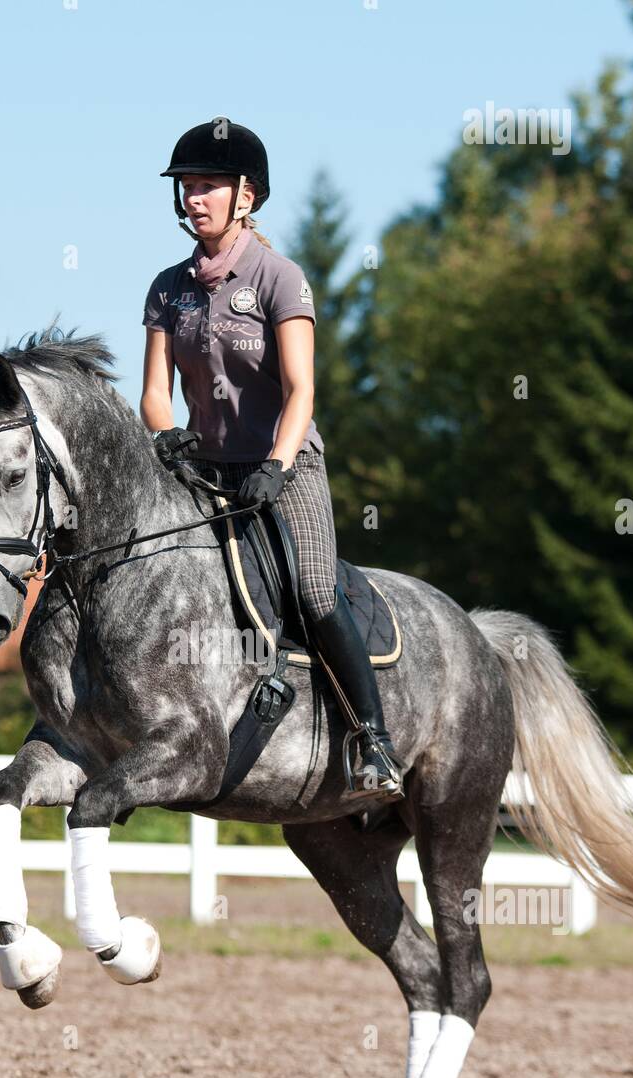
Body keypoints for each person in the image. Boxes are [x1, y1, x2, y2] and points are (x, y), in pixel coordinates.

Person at [140, 117, 403, 796]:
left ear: (246, 196)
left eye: (207, 186)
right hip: (205, 474)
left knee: (313, 591)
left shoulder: (279, 277)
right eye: (187, 187)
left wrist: (278, 465)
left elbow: (300, 389)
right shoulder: (168, 288)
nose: (193, 198)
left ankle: (372, 741)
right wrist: (168, 438)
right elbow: (152, 395)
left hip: (285, 469)